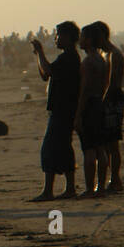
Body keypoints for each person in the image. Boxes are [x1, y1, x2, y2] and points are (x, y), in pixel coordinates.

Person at [30, 21, 80, 201]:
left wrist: (41, 53)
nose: (56, 38)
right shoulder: (67, 57)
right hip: (62, 109)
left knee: (50, 148)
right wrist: (38, 55)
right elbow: (45, 74)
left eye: (58, 35)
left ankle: (49, 191)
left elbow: (48, 71)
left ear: (67, 37)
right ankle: (68, 188)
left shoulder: (69, 58)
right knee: (63, 148)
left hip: (63, 109)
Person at [74, 24, 109, 197]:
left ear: (88, 40)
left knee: (89, 149)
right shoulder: (100, 59)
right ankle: (100, 186)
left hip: (89, 105)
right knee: (100, 148)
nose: (79, 40)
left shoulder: (88, 62)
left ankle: (89, 188)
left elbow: (84, 90)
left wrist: (78, 114)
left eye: (82, 37)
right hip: (98, 103)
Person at [93, 21, 124, 194]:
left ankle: (115, 179)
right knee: (105, 144)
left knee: (112, 143)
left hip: (112, 99)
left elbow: (112, 85)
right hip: (107, 99)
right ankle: (109, 180)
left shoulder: (114, 55)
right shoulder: (103, 53)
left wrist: (102, 103)